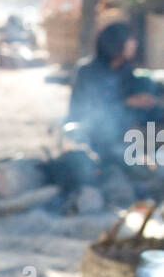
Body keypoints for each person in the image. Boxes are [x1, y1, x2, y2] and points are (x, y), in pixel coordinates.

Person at [67, 21, 163, 173]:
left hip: (123, 126)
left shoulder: (125, 69)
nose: (134, 44)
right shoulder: (88, 71)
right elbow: (92, 111)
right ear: (116, 43)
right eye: (130, 40)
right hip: (94, 130)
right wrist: (128, 102)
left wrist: (145, 100)